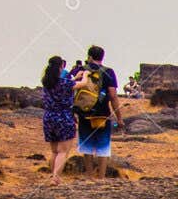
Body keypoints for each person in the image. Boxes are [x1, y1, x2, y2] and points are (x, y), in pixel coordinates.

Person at [71, 46, 124, 178]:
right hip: (102, 113)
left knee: (86, 145)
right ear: (102, 57)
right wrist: (119, 117)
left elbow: (71, 91)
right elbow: (113, 95)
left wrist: (72, 112)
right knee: (103, 146)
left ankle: (89, 176)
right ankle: (101, 177)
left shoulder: (81, 70)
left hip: (84, 112)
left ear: (89, 57)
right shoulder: (109, 72)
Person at [41, 55, 76, 184]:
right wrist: (85, 75)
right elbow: (81, 84)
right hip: (64, 117)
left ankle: (53, 175)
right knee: (63, 151)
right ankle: (55, 178)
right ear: (61, 66)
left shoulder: (46, 83)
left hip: (49, 117)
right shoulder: (64, 83)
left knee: (54, 151)